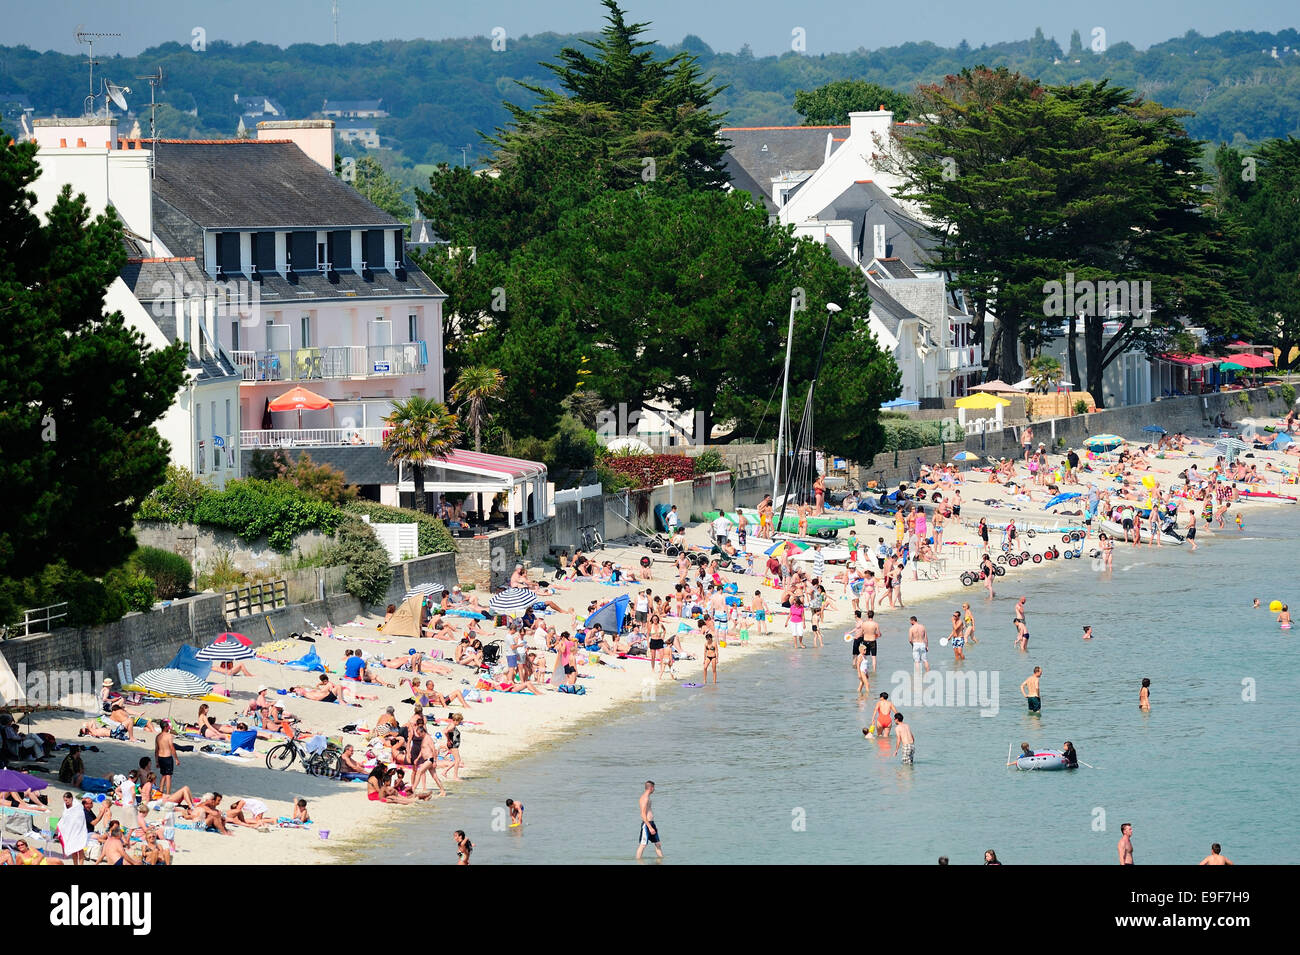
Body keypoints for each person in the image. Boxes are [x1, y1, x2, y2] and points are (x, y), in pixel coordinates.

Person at [56, 791, 89, 865]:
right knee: (73, 848)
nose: (65, 802)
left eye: (66, 800)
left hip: (79, 830)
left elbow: (80, 819)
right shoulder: (65, 806)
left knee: (80, 848)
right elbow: (65, 817)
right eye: (64, 800)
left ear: (71, 798)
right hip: (71, 831)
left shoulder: (78, 807)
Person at [636, 780, 662, 860]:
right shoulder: (644, 798)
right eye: (654, 788)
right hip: (647, 824)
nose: (654, 789)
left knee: (658, 844)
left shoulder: (647, 798)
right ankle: (638, 862)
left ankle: (661, 860)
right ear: (651, 788)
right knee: (643, 845)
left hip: (651, 823)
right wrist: (650, 827)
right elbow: (643, 814)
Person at [154, 720, 178, 796]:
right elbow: (172, 747)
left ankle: (160, 791)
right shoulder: (169, 736)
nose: (169, 727)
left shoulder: (158, 736)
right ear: (165, 727)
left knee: (163, 775)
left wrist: (157, 761)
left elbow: (156, 750)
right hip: (167, 758)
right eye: (168, 726)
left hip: (160, 757)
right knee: (168, 777)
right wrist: (176, 759)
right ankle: (167, 793)